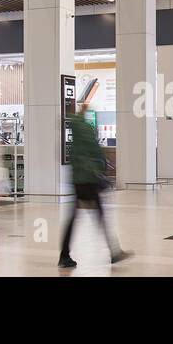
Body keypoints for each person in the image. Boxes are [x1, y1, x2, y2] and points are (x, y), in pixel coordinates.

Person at [59, 104, 131, 269]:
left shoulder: (78, 132)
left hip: (80, 179)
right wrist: (102, 167)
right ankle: (113, 252)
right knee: (98, 215)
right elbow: (97, 153)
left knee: (78, 218)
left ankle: (65, 255)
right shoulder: (84, 130)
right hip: (87, 180)